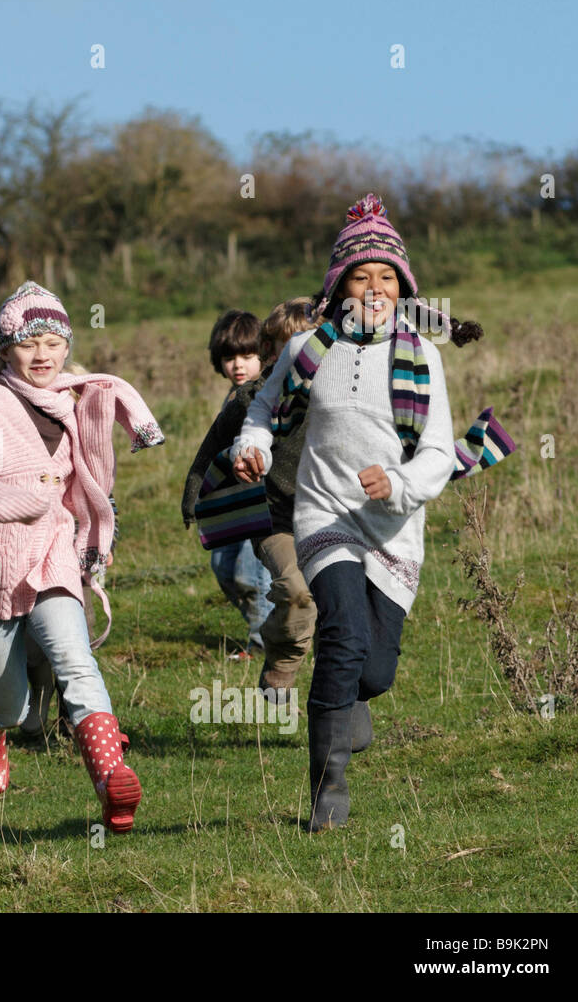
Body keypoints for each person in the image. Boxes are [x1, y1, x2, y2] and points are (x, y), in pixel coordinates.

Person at [232, 194, 515, 831]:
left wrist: (399, 482)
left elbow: (441, 450)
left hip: (394, 525)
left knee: (377, 670)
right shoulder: (307, 347)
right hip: (324, 514)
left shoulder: (424, 355)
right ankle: (326, 791)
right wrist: (252, 445)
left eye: (388, 276)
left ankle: (351, 703)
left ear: (405, 285)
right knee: (343, 635)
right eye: (362, 275)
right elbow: (260, 408)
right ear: (339, 284)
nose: (376, 287)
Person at [0, 280, 165, 833]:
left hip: (50, 555)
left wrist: (92, 537)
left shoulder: (75, 399)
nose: (41, 354)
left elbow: (76, 485)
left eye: (52, 341)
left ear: (66, 346)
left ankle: (111, 781)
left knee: (76, 662)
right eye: (27, 343)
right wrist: (2, 497)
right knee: (13, 705)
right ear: (5, 350)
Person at [183, 299, 322, 692]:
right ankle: (276, 660)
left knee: (321, 601)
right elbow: (211, 446)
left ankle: (331, 681)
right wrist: (192, 495)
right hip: (266, 513)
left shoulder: (336, 394)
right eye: (280, 349)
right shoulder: (251, 398)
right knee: (286, 589)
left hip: (327, 514)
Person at [182, 310, 274, 660]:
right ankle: (272, 627)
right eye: (229, 357)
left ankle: (262, 643)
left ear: (263, 355)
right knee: (223, 568)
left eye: (248, 356)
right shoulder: (231, 398)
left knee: (253, 574)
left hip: (259, 502)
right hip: (228, 499)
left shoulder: (264, 395)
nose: (238, 365)